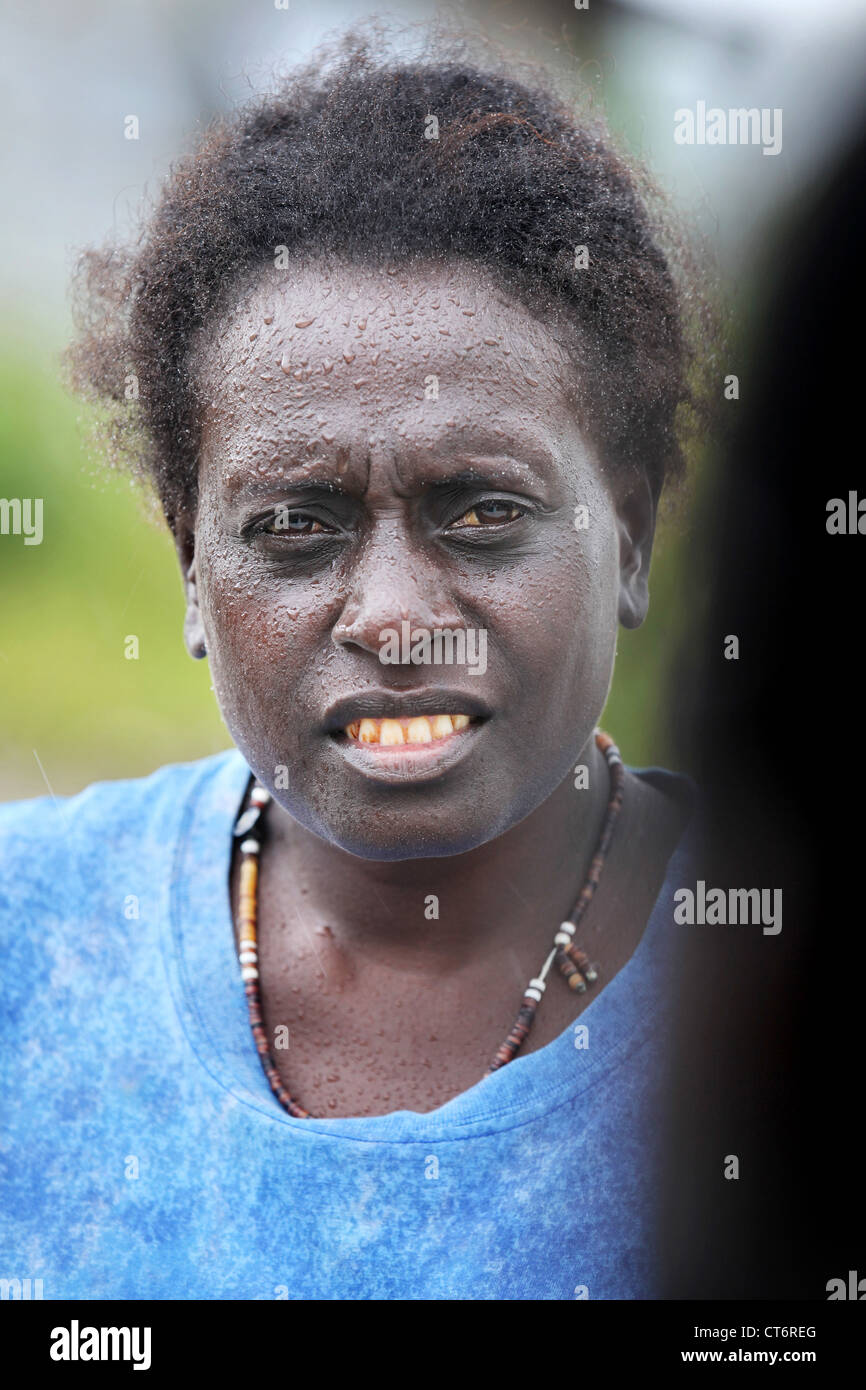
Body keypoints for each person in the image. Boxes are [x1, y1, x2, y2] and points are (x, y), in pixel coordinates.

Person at [1, 31, 709, 1299]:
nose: (390, 619)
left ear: (632, 534)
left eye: (481, 510)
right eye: (295, 526)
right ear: (189, 574)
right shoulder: (25, 946)